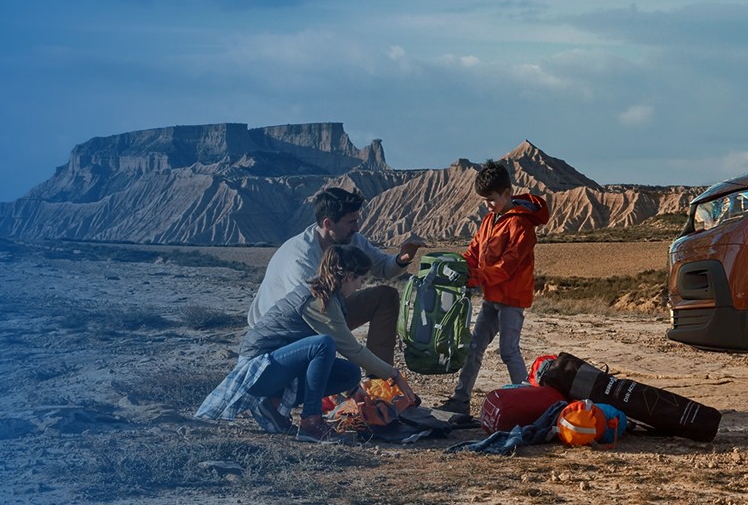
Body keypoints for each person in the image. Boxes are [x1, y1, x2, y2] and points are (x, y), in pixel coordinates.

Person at [196, 245, 418, 443]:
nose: (360, 287)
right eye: (360, 281)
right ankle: (311, 423)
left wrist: (354, 389)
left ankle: (272, 403)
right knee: (323, 345)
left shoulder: (329, 296)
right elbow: (351, 348)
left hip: (278, 368)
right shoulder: (318, 300)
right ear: (348, 276)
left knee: (350, 374)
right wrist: (394, 375)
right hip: (259, 368)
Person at [248, 187, 426, 366]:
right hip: (282, 334)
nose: (356, 228)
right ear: (328, 223)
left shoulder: (351, 239)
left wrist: (404, 258)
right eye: (351, 222)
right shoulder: (301, 256)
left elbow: (383, 268)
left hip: (325, 308)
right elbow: (313, 311)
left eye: (357, 221)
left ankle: (379, 384)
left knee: (385, 296)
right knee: (331, 357)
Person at [436, 160, 549, 414]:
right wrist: (460, 267)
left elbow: (507, 267)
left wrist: (475, 278)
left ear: (507, 193)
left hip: (511, 299)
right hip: (491, 297)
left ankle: (527, 404)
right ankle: (460, 401)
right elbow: (473, 252)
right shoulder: (489, 221)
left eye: (491, 199)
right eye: (484, 200)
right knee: (474, 348)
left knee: (508, 351)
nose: (487, 204)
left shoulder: (522, 225)